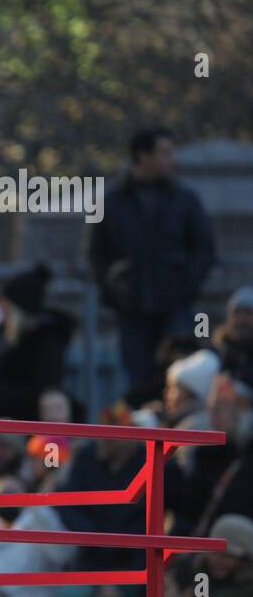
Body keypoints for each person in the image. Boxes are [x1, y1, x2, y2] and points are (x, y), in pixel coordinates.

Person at [89, 127, 216, 397]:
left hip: (175, 306)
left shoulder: (185, 198)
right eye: (164, 153)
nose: (172, 160)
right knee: (139, 384)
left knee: (181, 380)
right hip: (132, 309)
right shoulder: (111, 201)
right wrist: (114, 293)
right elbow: (96, 254)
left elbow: (204, 249)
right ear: (143, 156)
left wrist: (186, 287)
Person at [0, 263, 76, 420]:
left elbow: (46, 385)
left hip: (30, 421)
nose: (0, 307)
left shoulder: (47, 337)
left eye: (6, 303)